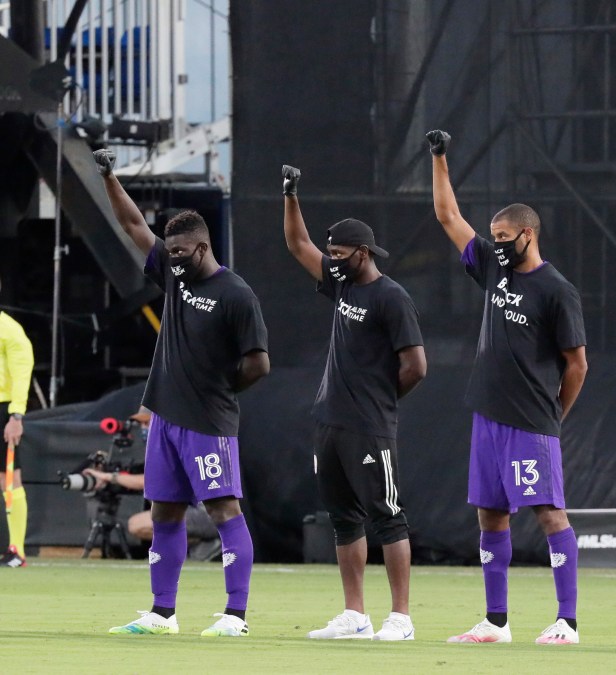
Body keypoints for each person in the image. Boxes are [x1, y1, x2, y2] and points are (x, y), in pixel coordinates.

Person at [93, 149, 271, 637]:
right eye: (167, 252)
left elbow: (259, 363)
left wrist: (216, 391)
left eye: (179, 253)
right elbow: (132, 225)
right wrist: (108, 175)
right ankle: (162, 613)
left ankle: (236, 616)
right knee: (163, 511)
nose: (171, 259)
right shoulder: (173, 273)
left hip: (209, 421)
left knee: (223, 510)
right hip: (166, 419)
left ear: (203, 247)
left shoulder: (237, 294)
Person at [427, 129, 588, 645]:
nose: (496, 246)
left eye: (504, 239)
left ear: (528, 235)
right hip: (488, 416)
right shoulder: (496, 275)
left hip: (530, 420)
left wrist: (554, 413)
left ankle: (567, 621)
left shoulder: (556, 291)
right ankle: (496, 622)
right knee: (489, 514)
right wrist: (440, 158)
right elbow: (449, 218)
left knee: (548, 513)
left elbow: (577, 363)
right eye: (492, 239)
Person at [280, 165, 428, 642]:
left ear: (363, 253)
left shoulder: (391, 297)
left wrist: (379, 401)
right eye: (332, 254)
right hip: (330, 423)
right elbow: (298, 246)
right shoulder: (342, 283)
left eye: (340, 254)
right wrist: (291, 195)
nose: (332, 260)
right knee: (343, 520)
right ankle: (355, 615)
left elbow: (416, 365)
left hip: (369, 425)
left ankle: (401, 618)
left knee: (388, 515)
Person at [82, 469, 222, 561]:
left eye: (146, 425)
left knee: (138, 523)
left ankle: (214, 540)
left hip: (213, 513)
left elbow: (150, 481)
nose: (144, 430)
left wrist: (110, 477)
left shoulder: (193, 445)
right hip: (206, 511)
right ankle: (207, 542)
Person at [0, 294, 34, 568]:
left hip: (4, 409)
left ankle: (16, 549)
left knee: (9, 479)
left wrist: (16, 415)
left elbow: (22, 373)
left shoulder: (9, 329)